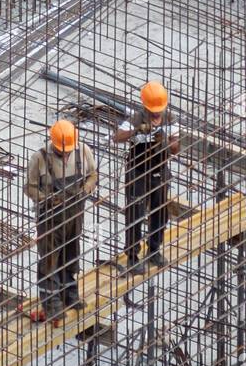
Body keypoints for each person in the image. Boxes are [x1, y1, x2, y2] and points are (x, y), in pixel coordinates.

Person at [24, 120, 98, 324]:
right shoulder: (40, 158)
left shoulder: (82, 151)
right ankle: (51, 303)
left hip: (74, 215)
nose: (65, 156)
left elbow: (92, 175)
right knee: (49, 258)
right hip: (50, 217)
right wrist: (45, 198)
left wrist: (87, 189)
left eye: (67, 152)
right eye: (61, 152)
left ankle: (69, 294)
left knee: (70, 253)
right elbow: (29, 188)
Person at [112, 81, 180, 275]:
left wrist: (165, 141)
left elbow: (176, 148)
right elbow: (117, 137)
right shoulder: (136, 118)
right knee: (135, 213)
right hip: (138, 171)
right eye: (153, 110)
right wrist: (137, 130)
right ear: (146, 106)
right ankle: (133, 256)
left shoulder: (170, 118)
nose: (156, 114)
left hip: (159, 169)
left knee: (160, 212)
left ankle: (154, 249)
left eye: (159, 110)